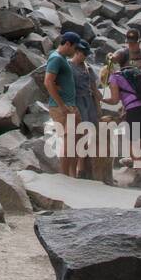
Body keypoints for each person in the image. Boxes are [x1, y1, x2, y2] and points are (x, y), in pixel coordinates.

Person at [104, 47, 141, 175]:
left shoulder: (113, 78)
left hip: (135, 109)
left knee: (133, 141)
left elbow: (115, 100)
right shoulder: (129, 73)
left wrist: (102, 99)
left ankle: (139, 171)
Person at [71, 40, 113, 184]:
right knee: (80, 135)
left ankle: (87, 169)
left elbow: (94, 89)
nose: (85, 57)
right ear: (76, 52)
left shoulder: (88, 68)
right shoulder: (70, 67)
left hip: (89, 102)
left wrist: (99, 106)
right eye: (83, 53)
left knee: (91, 134)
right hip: (77, 102)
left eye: (86, 54)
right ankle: (78, 168)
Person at [43, 32, 81, 177]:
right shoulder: (56, 58)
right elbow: (48, 81)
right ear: (67, 44)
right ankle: (65, 176)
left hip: (70, 105)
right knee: (68, 140)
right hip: (62, 106)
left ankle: (72, 173)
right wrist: (62, 106)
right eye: (75, 48)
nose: (75, 52)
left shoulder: (61, 58)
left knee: (77, 138)